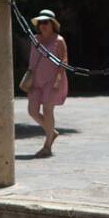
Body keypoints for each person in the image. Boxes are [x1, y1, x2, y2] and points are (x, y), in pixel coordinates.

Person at [26, 9, 68, 157]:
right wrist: (29, 79)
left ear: (52, 24)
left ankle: (47, 146)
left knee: (47, 111)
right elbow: (32, 60)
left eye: (45, 22)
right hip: (36, 81)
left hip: (52, 81)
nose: (42, 25)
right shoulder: (35, 39)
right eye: (40, 22)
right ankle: (52, 132)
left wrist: (57, 81)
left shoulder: (59, 40)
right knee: (32, 111)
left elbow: (64, 61)